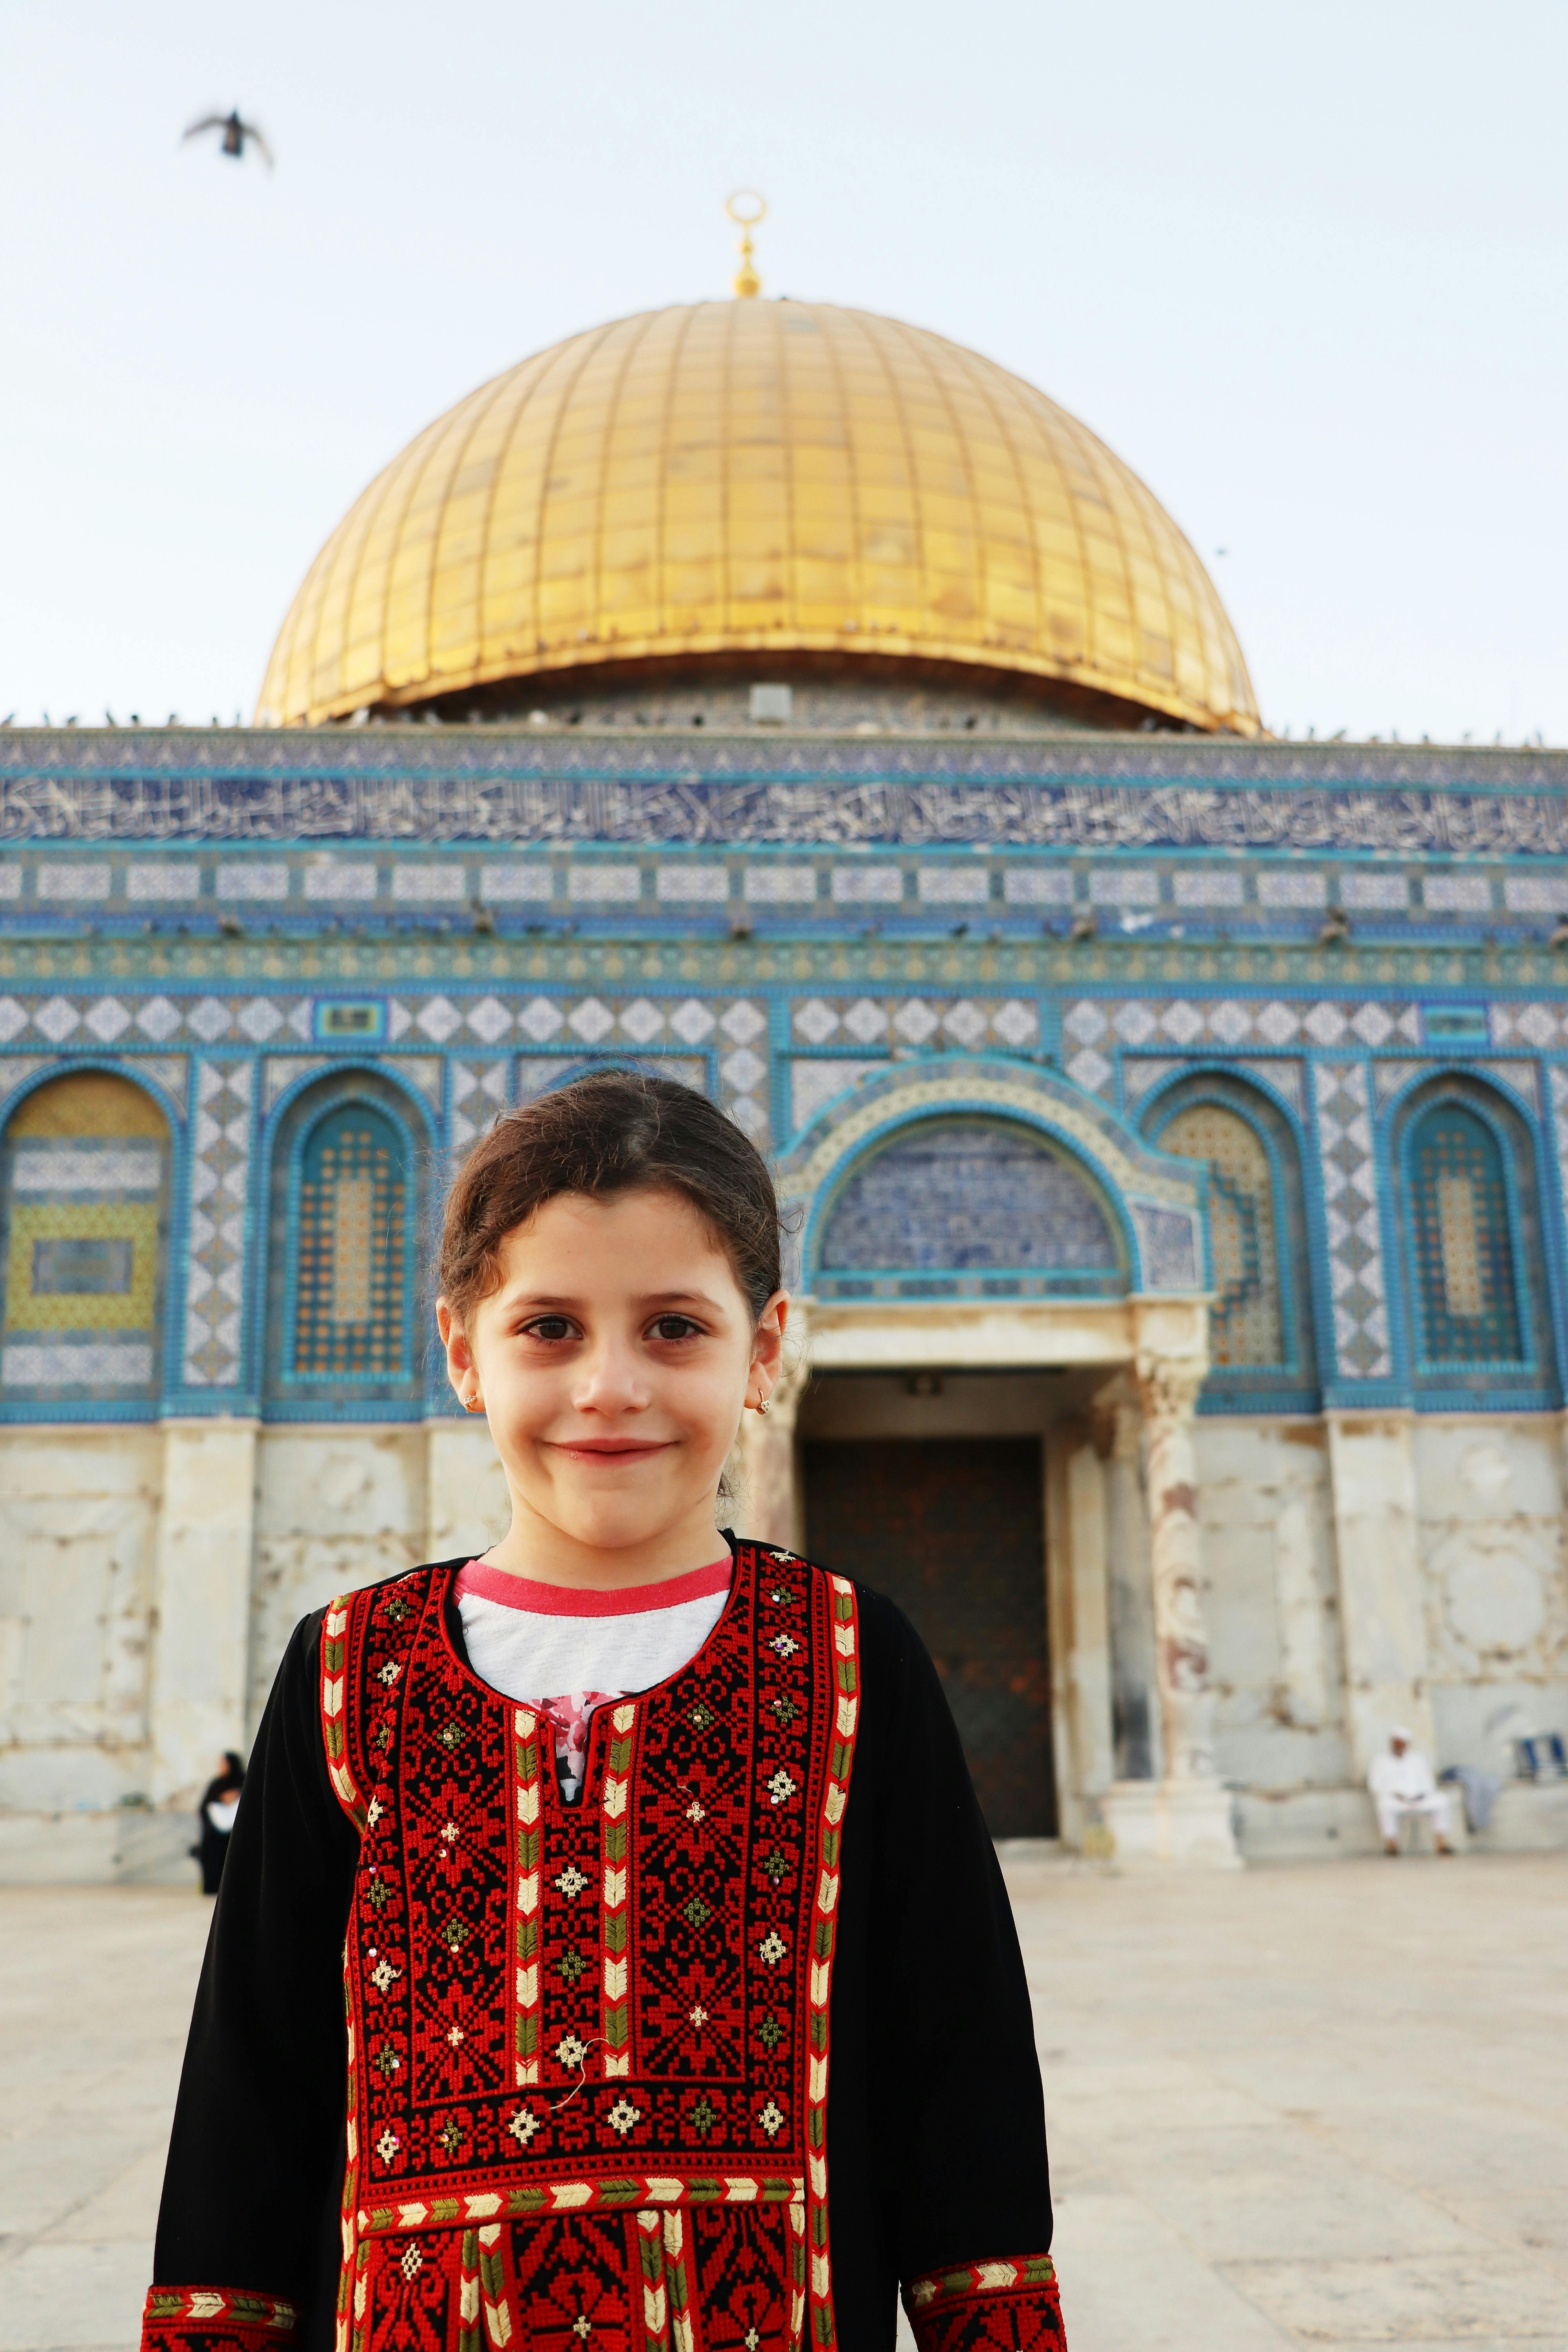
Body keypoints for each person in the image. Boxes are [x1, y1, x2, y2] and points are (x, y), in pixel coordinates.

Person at [140, 1073, 1064, 2352]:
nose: (612, 1386)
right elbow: (251, 2098)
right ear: (464, 1349)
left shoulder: (849, 1662)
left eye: (676, 1328)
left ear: (766, 1349)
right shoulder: (355, 1669)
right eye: (551, 1329)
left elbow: (960, 2088)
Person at [1368, 1726, 1453, 1855]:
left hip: (1420, 1800)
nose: (1399, 1746)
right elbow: (1375, 1785)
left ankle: (1442, 1843)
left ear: (1407, 1744)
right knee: (1384, 1805)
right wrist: (1394, 1794)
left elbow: (1429, 1783)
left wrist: (1422, 1795)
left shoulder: (1418, 1760)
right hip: (1396, 1800)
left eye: (1402, 1743)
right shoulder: (1380, 1761)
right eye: (1396, 1743)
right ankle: (1392, 1845)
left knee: (1442, 1801)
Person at [191, 1750, 245, 1895]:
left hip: (237, 1834)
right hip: (215, 1834)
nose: (221, 1767)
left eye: (224, 1763)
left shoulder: (244, 1781)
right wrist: (221, 1800)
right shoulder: (216, 1784)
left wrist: (237, 1795)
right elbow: (204, 1807)